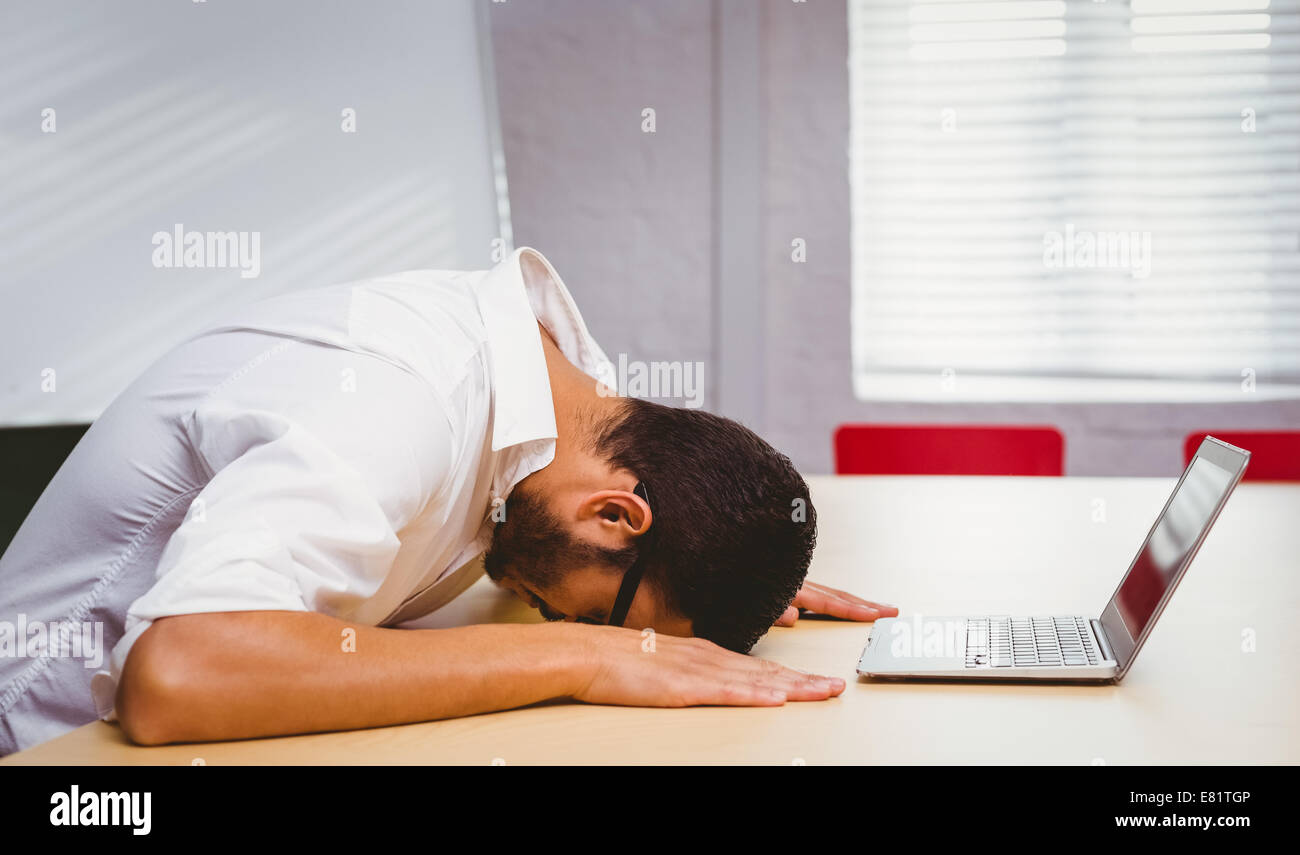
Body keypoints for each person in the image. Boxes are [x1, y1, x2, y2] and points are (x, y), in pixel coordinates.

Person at [0, 247, 897, 754]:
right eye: (582, 613)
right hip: (49, 751)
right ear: (616, 516)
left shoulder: (570, 414)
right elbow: (178, 674)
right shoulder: (397, 403)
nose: (552, 616)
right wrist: (583, 654)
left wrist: (728, 570)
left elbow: (557, 549)